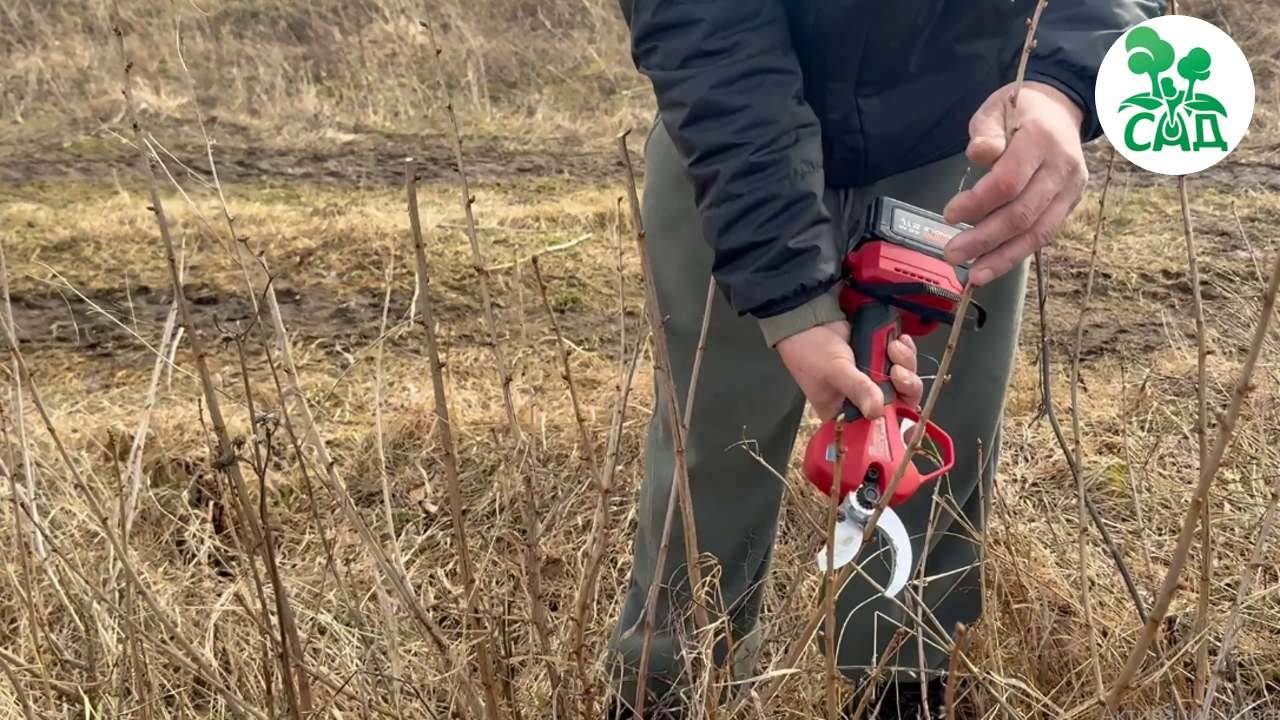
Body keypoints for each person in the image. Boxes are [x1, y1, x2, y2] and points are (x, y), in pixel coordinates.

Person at [606, 1, 1164, 718]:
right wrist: (786, 292)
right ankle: (669, 692)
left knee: (929, 459)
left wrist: (1061, 84)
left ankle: (910, 689)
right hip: (731, 141)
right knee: (709, 468)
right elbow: (702, 26)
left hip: (963, 137)